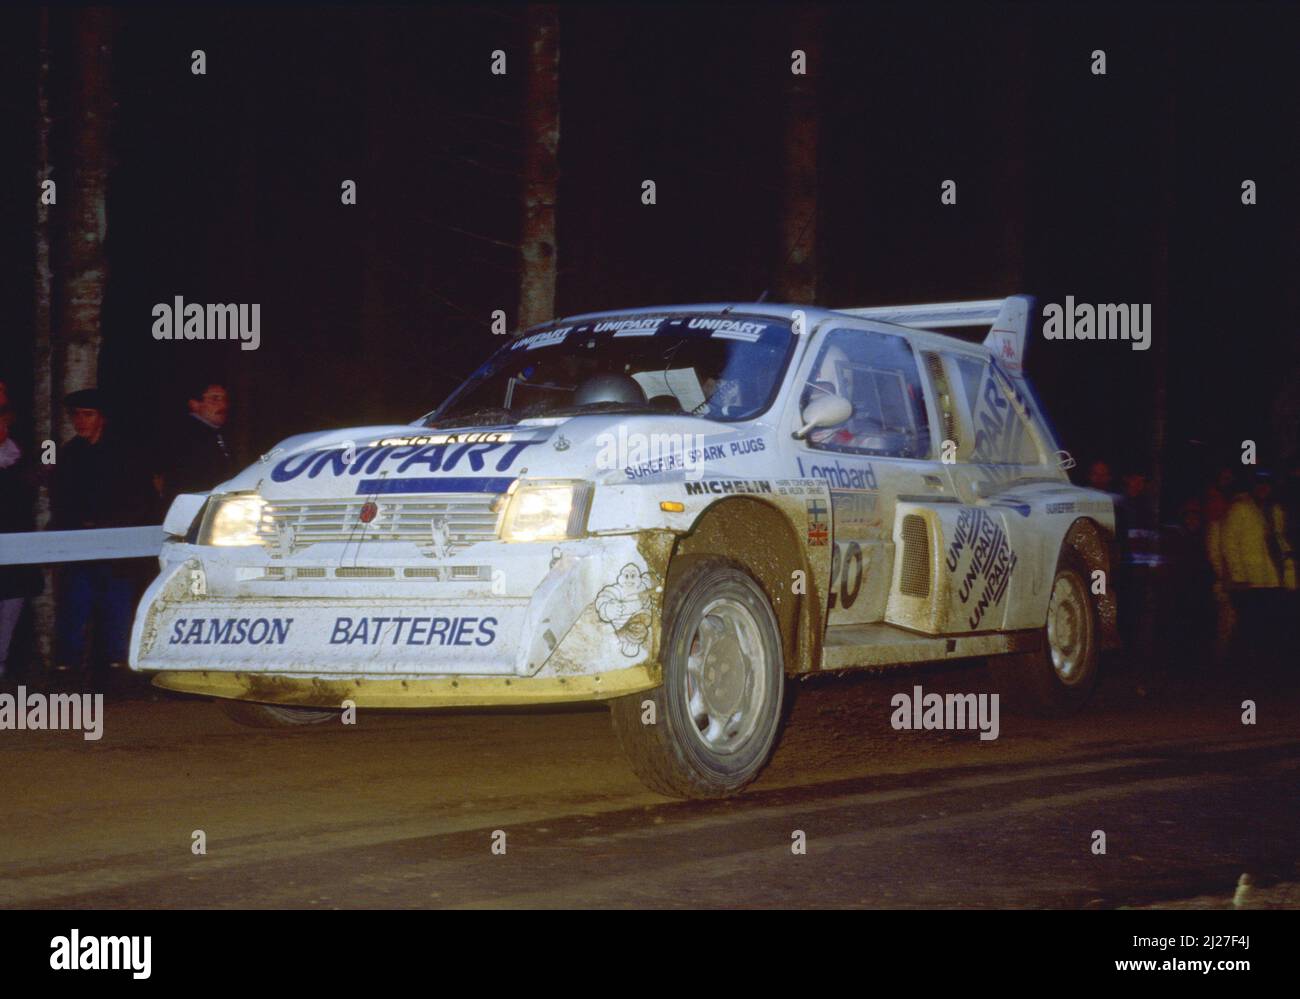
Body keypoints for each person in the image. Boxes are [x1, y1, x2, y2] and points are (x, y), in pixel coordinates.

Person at [51, 389, 155, 676]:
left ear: (102, 418)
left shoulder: (126, 453)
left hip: (116, 547)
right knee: (74, 606)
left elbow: (143, 499)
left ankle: (118, 668)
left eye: (88, 415)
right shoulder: (69, 454)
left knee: (117, 609)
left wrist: (118, 529)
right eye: (76, 415)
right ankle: (66, 668)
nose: (80, 421)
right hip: (78, 547)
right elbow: (60, 501)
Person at [0, 404, 42, 681]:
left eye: (4, 422)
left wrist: (44, 467)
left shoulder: (27, 449)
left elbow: (48, 452)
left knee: (13, 604)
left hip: (18, 541)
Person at [161, 380, 240, 502]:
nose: (223, 405)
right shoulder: (183, 436)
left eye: (225, 399)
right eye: (215, 399)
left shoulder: (220, 433)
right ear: (195, 404)